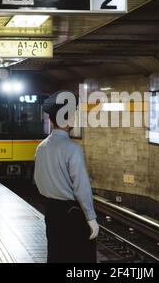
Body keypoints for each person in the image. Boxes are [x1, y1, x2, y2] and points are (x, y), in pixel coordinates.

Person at [34, 91, 99, 263]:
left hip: (51, 212)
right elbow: (81, 187)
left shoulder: (41, 148)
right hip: (71, 213)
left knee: (56, 255)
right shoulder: (72, 148)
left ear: (52, 120)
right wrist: (91, 218)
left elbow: (38, 181)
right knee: (79, 258)